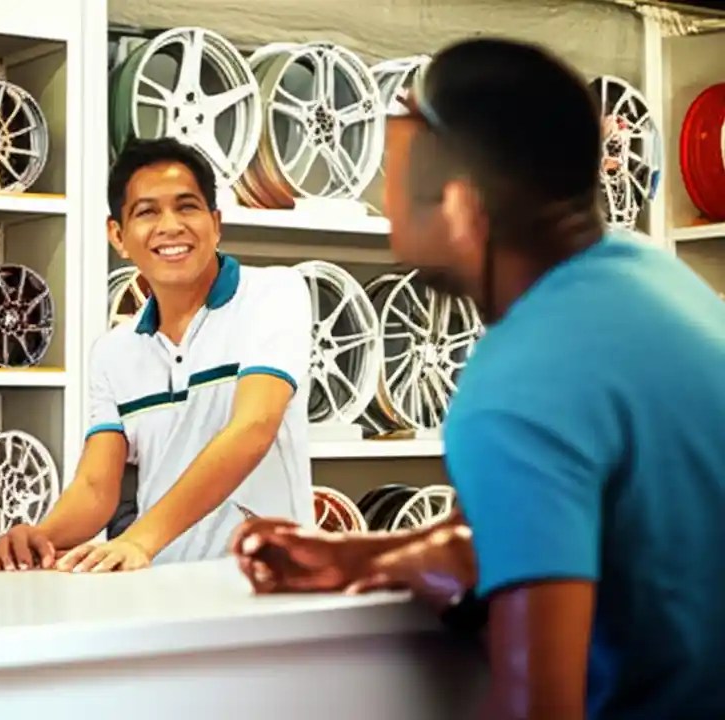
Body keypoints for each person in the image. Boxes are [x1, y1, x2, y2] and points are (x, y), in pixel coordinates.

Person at [231, 37, 725, 720]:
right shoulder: (656, 284)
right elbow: (544, 524)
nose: (383, 199)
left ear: (460, 206)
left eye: (396, 174)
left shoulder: (522, 381)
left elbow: (534, 709)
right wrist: (361, 557)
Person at [0, 137, 314, 573]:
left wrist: (140, 539)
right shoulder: (112, 353)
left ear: (216, 224)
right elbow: (96, 487)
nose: (170, 226)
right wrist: (41, 536)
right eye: (147, 212)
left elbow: (252, 427)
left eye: (187, 207)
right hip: (161, 584)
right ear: (118, 236)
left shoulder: (274, 294)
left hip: (268, 583)